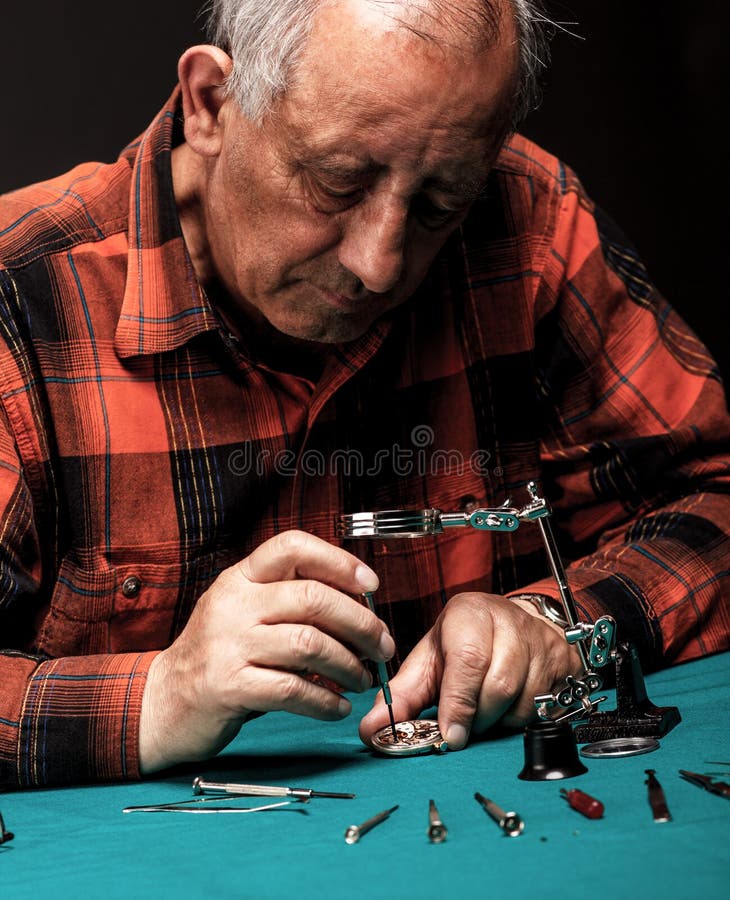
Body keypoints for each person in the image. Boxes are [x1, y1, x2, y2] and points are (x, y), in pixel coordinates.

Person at [0, 0, 728, 790]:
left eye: (438, 206)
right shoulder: (18, 302)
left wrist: (558, 620)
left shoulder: (530, 224)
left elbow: (715, 496)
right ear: (212, 103)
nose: (381, 264)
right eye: (338, 181)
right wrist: (158, 697)